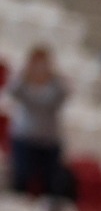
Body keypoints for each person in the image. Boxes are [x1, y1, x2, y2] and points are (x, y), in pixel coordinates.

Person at [7, 48, 70, 198]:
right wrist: (24, 75)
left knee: (50, 183)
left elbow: (60, 96)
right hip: (25, 137)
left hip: (48, 140)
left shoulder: (55, 83)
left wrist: (50, 77)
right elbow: (11, 91)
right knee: (21, 178)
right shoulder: (23, 80)